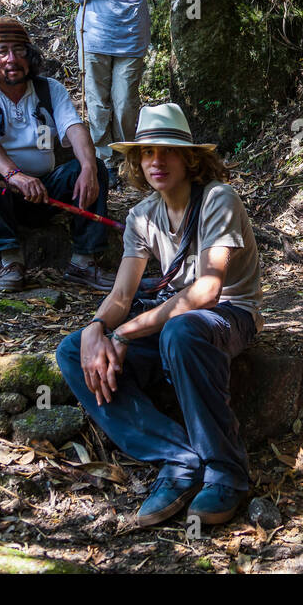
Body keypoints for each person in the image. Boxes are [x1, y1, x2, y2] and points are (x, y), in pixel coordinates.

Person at [56, 103, 262, 529]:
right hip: (172, 317)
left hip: (227, 316)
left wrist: (126, 333)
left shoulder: (217, 198)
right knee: (74, 349)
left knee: (181, 332)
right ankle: (176, 457)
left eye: (166, 151)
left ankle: (226, 471)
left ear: (189, 158)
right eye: (147, 152)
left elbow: (207, 290)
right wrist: (97, 329)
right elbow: (121, 294)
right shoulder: (141, 216)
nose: (156, 161)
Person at [0, 16, 115, 293]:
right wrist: (14, 174)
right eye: (1, 52)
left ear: (30, 56)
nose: (11, 59)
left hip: (40, 193)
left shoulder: (49, 89)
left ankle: (84, 262)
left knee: (93, 167)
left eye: (19, 50)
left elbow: (74, 128)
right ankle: (10, 261)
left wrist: (88, 167)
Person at [69, 0, 198, 186]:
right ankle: (105, 162)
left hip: (131, 41)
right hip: (95, 37)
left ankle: (127, 159)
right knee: (99, 104)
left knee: (126, 103)